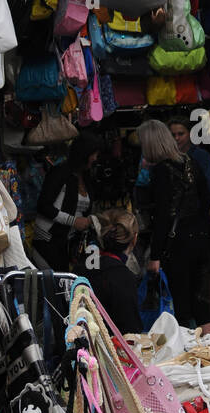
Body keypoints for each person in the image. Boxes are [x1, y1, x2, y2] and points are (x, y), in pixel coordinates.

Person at [137, 118, 210, 334]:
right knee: (201, 301)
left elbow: (163, 216)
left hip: (177, 244)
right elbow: (207, 200)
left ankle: (186, 357)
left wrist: (155, 256)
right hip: (199, 238)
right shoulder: (191, 161)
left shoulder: (161, 171)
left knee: (180, 303)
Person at [33, 136, 99, 272]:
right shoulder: (60, 173)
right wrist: (73, 221)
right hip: (48, 241)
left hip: (66, 243)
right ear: (84, 153)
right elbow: (43, 206)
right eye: (94, 154)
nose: (95, 158)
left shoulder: (85, 177)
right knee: (57, 285)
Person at [80, 207, 142, 334]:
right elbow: (131, 331)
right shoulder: (123, 277)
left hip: (80, 341)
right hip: (111, 348)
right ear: (134, 239)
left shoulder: (84, 266)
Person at [168, 115, 210, 199]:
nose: (176, 138)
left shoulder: (201, 155)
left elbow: (208, 184)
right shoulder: (167, 156)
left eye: (181, 134)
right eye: (173, 135)